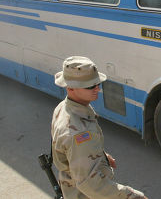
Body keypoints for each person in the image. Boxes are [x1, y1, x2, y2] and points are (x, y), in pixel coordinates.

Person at [51, 56, 148, 199]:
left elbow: (74, 152)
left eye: (97, 83)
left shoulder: (64, 107)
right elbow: (91, 185)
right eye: (90, 85)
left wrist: (101, 155)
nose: (97, 88)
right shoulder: (79, 133)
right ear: (70, 88)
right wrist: (133, 196)